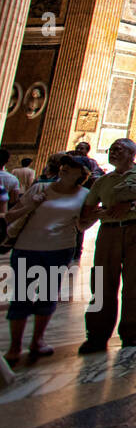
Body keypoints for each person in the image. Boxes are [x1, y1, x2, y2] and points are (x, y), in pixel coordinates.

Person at [3, 154, 96, 365]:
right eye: (64, 164)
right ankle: (15, 346)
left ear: (82, 174)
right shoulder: (39, 188)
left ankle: (38, 341)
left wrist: (97, 216)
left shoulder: (85, 195)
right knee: (21, 297)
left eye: (71, 166)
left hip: (60, 248)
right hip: (27, 247)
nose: (64, 168)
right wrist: (31, 205)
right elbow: (11, 216)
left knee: (47, 296)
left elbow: (81, 226)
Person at [78, 139, 136, 353]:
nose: (113, 153)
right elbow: (88, 208)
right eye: (112, 149)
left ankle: (132, 332)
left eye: (119, 149)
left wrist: (132, 205)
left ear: (131, 154)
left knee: (133, 284)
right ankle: (97, 334)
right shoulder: (103, 181)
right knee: (100, 283)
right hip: (108, 232)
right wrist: (95, 214)